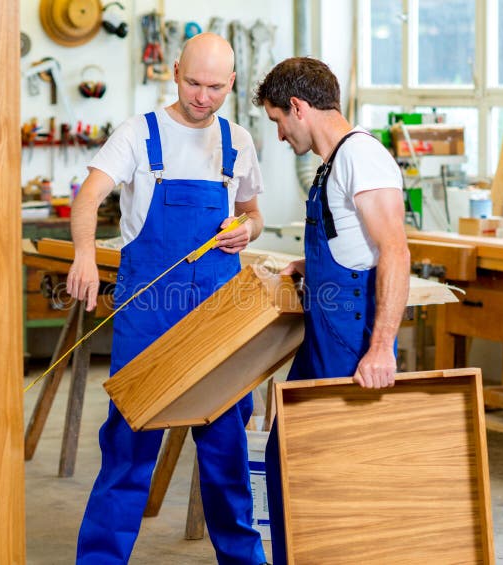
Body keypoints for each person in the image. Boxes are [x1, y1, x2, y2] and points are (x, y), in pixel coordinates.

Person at [66, 32, 268, 565]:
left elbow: (253, 213)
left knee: (226, 453)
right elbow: (88, 197)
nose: (203, 97)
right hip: (149, 316)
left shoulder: (239, 140)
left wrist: (248, 230)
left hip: (217, 320)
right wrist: (84, 253)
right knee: (129, 452)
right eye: (193, 83)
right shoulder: (138, 133)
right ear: (174, 72)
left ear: (231, 83)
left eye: (216, 87)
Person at [253, 57, 410, 564]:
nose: (280, 135)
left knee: (334, 480)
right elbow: (355, 247)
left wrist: (382, 348)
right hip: (322, 341)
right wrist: (307, 266)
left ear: (298, 107)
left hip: (351, 348)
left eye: (279, 121)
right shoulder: (333, 163)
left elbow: (395, 252)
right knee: (289, 463)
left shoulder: (361, 157)